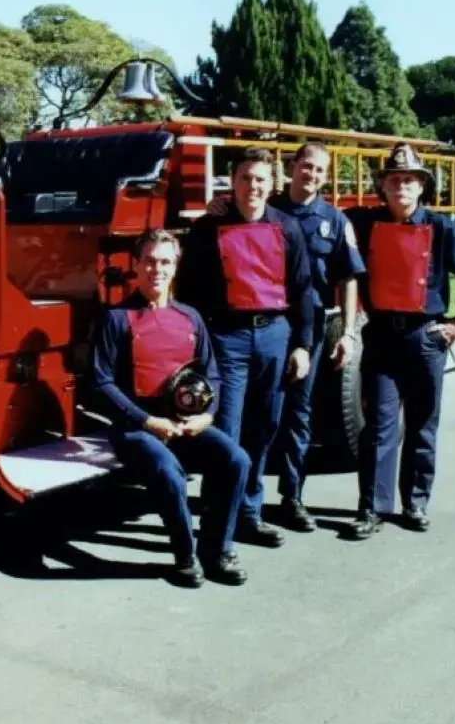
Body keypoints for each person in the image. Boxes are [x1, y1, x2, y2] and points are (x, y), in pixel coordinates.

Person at [344, 143, 455, 539]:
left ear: (421, 187)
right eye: (394, 180)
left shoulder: (442, 228)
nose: (402, 187)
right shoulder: (364, 222)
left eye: (409, 180)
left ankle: (415, 502)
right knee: (379, 425)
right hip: (381, 338)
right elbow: (312, 216)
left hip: (425, 337)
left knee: (423, 424)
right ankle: (372, 507)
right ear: (384, 187)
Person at [89, 229, 251, 587]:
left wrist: (206, 417)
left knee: (236, 460)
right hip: (135, 426)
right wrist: (147, 421)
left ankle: (218, 549)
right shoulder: (115, 318)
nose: (156, 269)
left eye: (164, 262)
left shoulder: (190, 317)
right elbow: (100, 383)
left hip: (185, 422)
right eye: (149, 261)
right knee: (167, 469)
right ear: (136, 265)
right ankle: (184, 555)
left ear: (175, 267)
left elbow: (212, 376)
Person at [176, 148, 315, 549]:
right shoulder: (207, 229)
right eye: (245, 178)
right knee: (227, 430)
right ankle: (220, 522)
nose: (252, 186)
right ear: (231, 182)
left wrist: (302, 345)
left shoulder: (288, 228)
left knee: (264, 427)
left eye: (260, 179)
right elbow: (188, 292)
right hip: (227, 339)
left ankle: (250, 513)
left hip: (274, 335)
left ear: (272, 184)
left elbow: (304, 292)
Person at [266, 143, 367, 531]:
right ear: (293, 167)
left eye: (320, 171)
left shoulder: (335, 221)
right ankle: (241, 498)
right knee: (259, 413)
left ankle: (292, 497)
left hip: (315, 326)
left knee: (299, 415)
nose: (311, 175)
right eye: (306, 166)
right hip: (271, 323)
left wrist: (350, 332)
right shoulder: (266, 211)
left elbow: (348, 277)